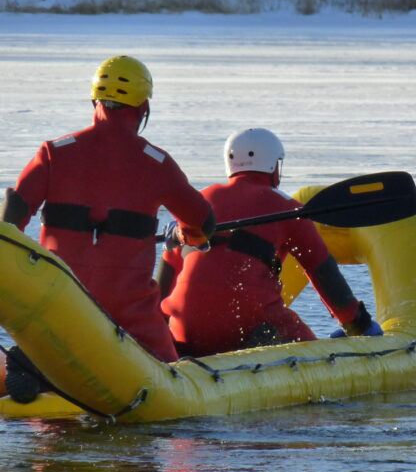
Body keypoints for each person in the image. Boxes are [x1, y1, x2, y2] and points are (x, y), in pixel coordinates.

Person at [0, 55, 215, 402]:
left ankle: (36, 362)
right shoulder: (156, 163)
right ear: (143, 107)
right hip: (130, 319)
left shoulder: (53, 154)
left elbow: (9, 227)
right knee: (178, 396)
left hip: (58, 308)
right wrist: (189, 236)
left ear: (94, 100)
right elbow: (205, 222)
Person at [157, 128, 382, 356]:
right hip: (249, 330)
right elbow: (323, 272)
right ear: (274, 166)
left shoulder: (200, 200)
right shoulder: (288, 209)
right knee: (315, 353)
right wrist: (356, 323)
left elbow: (165, 279)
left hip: (184, 333)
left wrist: (153, 334)